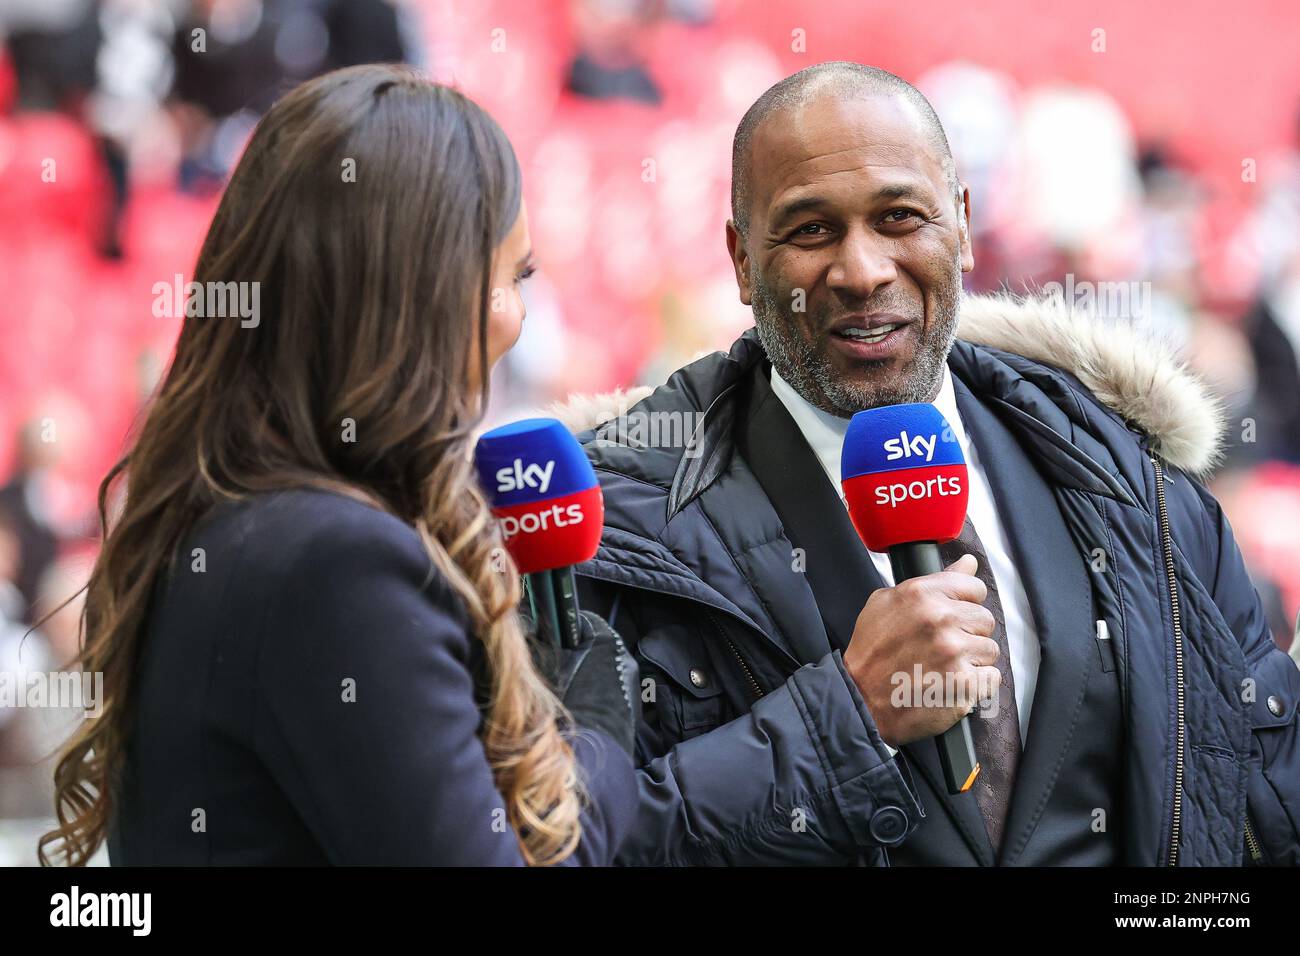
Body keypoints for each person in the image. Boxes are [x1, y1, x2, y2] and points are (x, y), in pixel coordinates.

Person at [559, 62, 1300, 866]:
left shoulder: (1134, 482)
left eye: (900, 216)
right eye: (810, 229)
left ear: (964, 223)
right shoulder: (604, 538)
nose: (863, 271)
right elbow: (566, 844)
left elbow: (1262, 797)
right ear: (741, 259)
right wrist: (845, 719)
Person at [38, 64, 638, 867]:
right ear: (420, 295)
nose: (518, 323)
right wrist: (596, 739)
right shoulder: (338, 563)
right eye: (513, 276)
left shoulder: (229, 516)